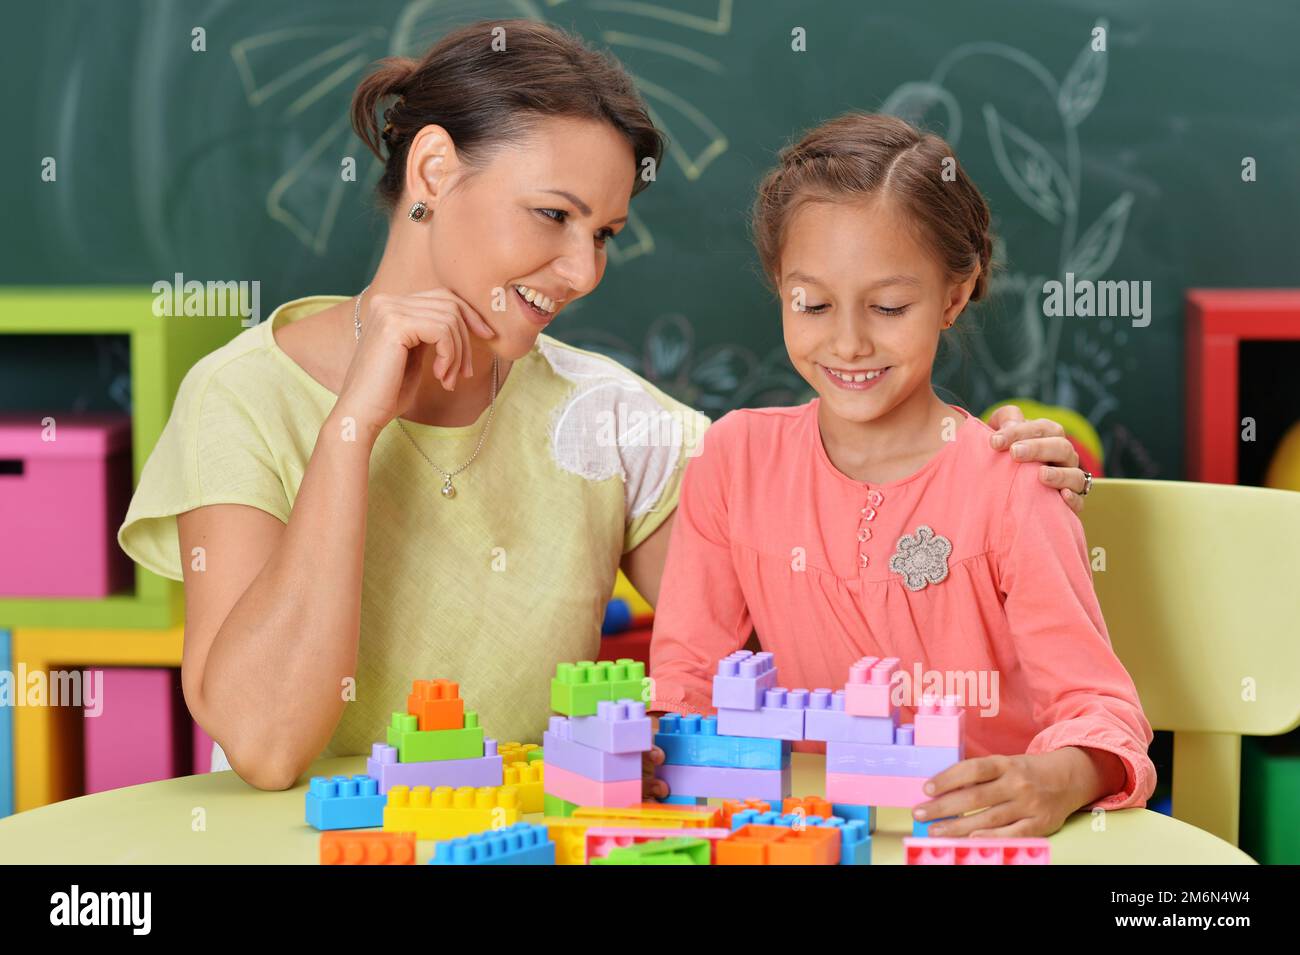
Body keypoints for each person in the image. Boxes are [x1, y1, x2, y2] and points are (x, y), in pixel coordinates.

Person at [117, 20, 1089, 790]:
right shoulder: (241, 397)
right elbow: (266, 744)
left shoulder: (614, 421)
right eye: (553, 216)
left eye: (606, 231)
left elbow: (812, 640)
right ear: (432, 171)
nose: (582, 271)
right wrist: (351, 428)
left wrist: (966, 473)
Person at [648, 113, 1154, 836]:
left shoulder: (1013, 484)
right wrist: (654, 749)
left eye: (889, 306)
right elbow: (686, 679)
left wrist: (1061, 776)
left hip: (971, 839)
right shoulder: (734, 462)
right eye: (813, 303)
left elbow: (1101, 712)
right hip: (814, 834)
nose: (849, 340)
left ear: (954, 296)